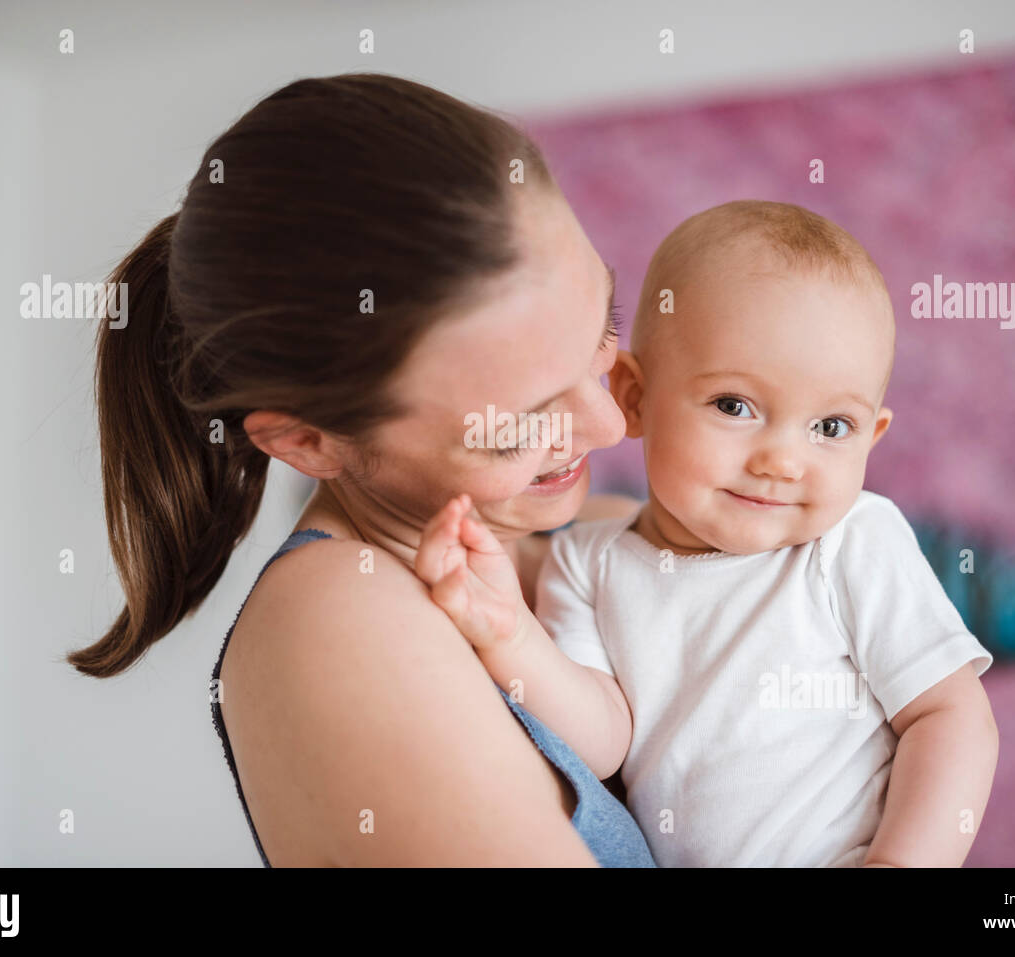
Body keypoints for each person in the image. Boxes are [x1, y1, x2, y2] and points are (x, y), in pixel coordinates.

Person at [67, 73, 656, 867]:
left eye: (603, 331)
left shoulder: (592, 538)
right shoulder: (339, 617)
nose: (612, 424)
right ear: (309, 442)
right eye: (522, 420)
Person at [413, 200, 999, 867]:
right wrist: (509, 633)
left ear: (872, 436)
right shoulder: (587, 563)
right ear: (634, 397)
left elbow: (949, 716)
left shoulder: (853, 541)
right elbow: (603, 738)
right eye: (734, 405)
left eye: (830, 427)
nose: (782, 460)